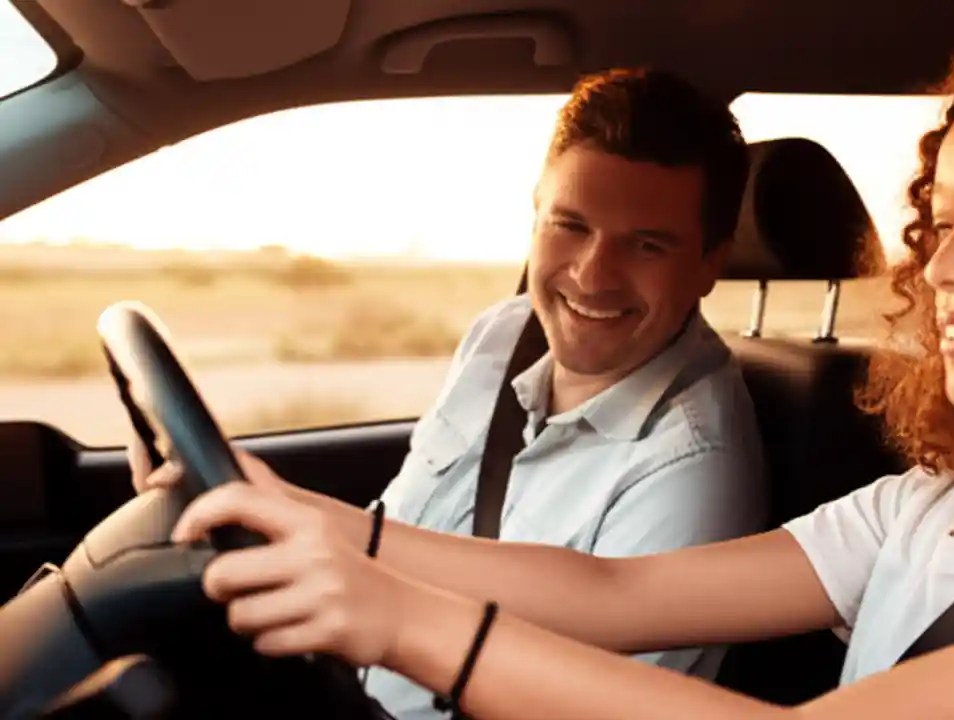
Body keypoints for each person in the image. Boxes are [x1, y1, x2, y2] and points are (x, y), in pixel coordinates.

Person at [158, 7, 954, 719]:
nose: (939, 267)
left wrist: (399, 620)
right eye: (939, 221)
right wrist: (322, 525)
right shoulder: (930, 507)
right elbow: (618, 591)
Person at [130, 67, 766, 718]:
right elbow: (400, 531)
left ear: (711, 262)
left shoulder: (694, 466)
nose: (592, 275)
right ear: (535, 211)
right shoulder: (505, 334)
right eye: (569, 226)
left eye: (647, 245)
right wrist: (271, 508)